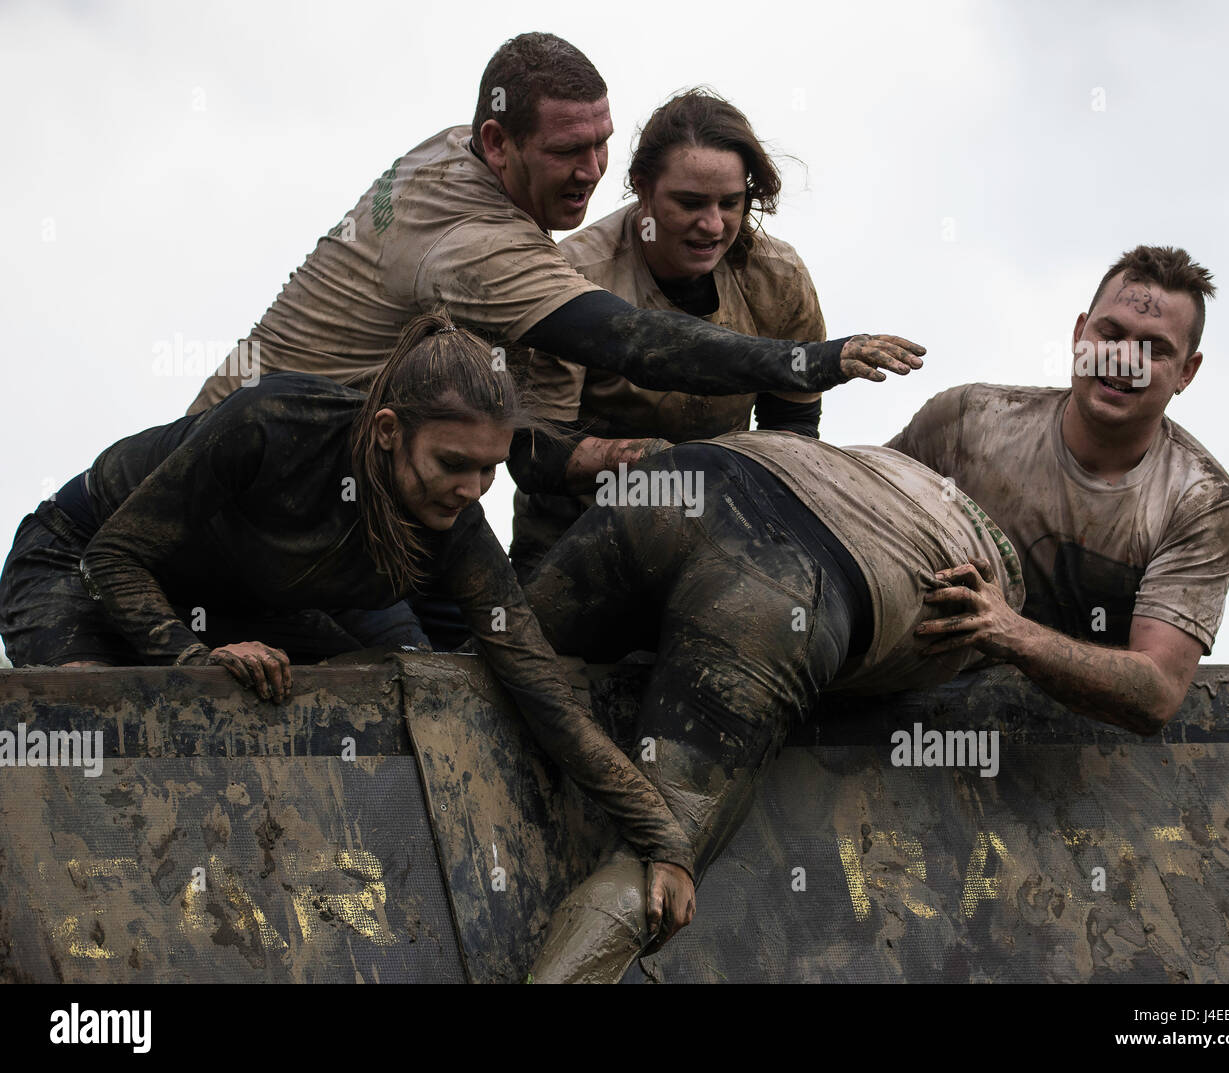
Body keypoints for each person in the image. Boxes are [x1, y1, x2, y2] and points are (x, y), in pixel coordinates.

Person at [0, 314, 699, 939]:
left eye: (489, 470)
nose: (470, 489)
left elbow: (540, 685)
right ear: (389, 431)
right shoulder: (271, 423)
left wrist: (663, 836)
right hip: (79, 562)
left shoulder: (457, 527)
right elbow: (113, 557)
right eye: (453, 464)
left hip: (248, 603)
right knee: (96, 720)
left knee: (404, 693)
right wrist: (192, 657)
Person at [185, 33, 924, 420]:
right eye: (570, 151)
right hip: (249, 461)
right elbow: (635, 343)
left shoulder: (454, 148)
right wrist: (812, 360)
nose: (593, 169)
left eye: (602, 142)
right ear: (500, 142)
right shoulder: (479, 250)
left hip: (313, 444)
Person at [521, 431, 1025, 982]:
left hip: (690, 476)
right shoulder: (993, 591)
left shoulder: (874, 465)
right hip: (790, 575)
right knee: (653, 866)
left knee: (505, 654)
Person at [888, 246, 1229, 735]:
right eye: (1110, 333)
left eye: (1154, 348)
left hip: (1082, 771)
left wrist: (1010, 632)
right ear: (1079, 335)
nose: (1125, 360)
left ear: (1187, 371)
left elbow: (1159, 689)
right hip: (910, 726)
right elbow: (858, 514)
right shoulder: (968, 423)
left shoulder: (1201, 503)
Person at [509, 89, 828, 577]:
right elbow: (537, 454)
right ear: (642, 186)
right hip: (572, 538)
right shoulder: (572, 274)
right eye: (690, 202)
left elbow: (794, 426)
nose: (713, 225)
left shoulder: (777, 276)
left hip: (720, 530)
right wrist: (659, 464)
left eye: (731, 203)